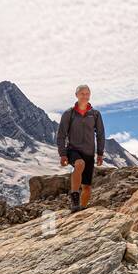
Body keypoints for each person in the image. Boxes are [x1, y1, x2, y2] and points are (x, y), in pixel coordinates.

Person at [56, 84, 105, 212]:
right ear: (76, 95)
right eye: (82, 93)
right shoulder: (69, 113)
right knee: (79, 164)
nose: (85, 96)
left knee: (87, 188)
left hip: (89, 153)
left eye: (87, 94)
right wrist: (62, 154)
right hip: (74, 150)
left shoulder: (95, 114)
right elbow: (61, 135)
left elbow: (100, 134)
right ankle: (74, 198)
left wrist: (100, 153)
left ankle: (80, 209)